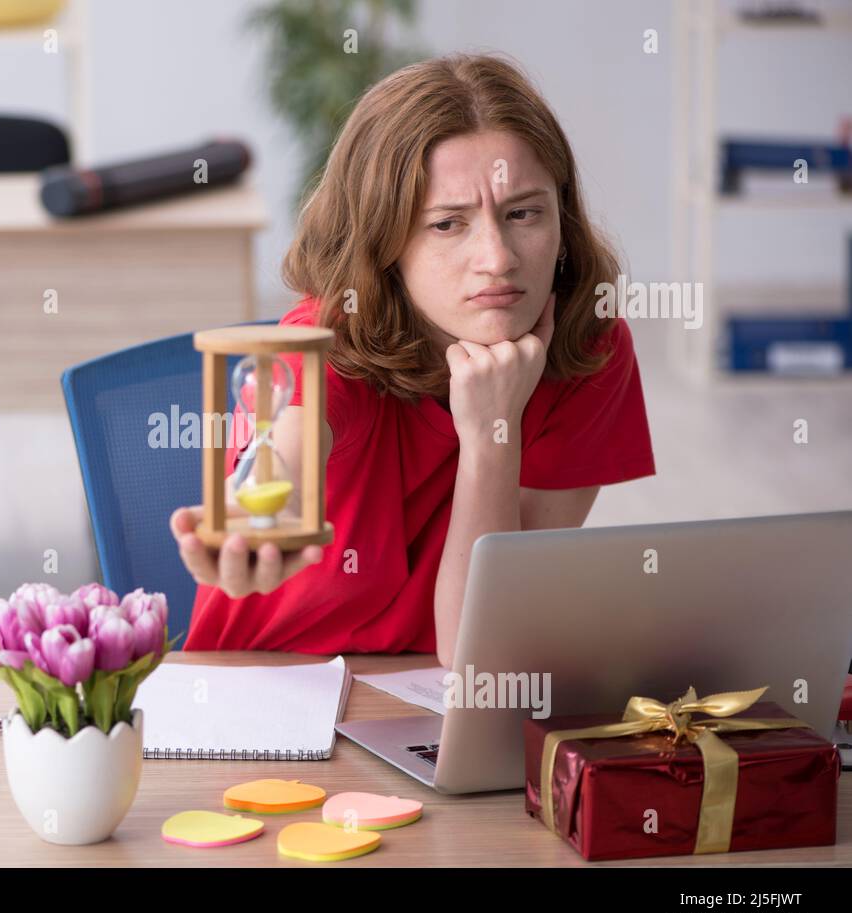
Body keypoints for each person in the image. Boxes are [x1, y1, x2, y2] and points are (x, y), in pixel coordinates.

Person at [170, 53, 656, 668]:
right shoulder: (327, 341)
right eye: (448, 224)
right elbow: (287, 448)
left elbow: (481, 654)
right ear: (384, 241)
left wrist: (489, 437)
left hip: (433, 699)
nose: (498, 258)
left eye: (523, 213)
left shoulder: (590, 350)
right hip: (264, 692)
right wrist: (252, 520)